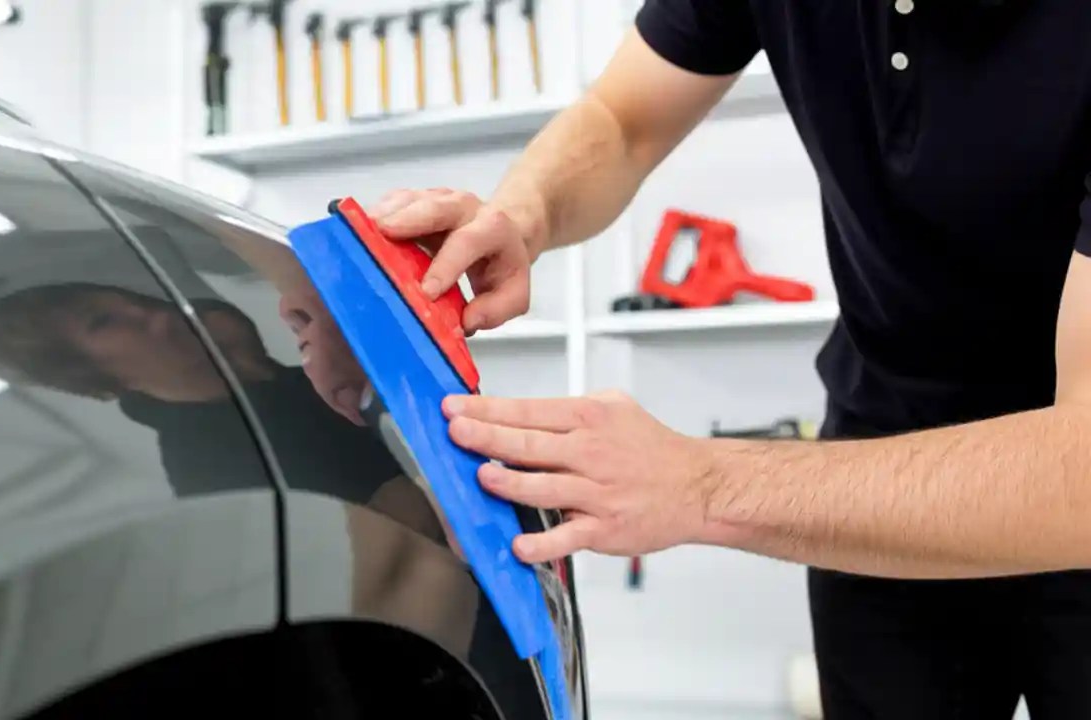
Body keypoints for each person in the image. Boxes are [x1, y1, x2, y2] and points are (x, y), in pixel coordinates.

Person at [370, 1, 1091, 718]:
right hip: (877, 452)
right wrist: (521, 215)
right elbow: (623, 123)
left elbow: (1078, 468)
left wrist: (703, 484)